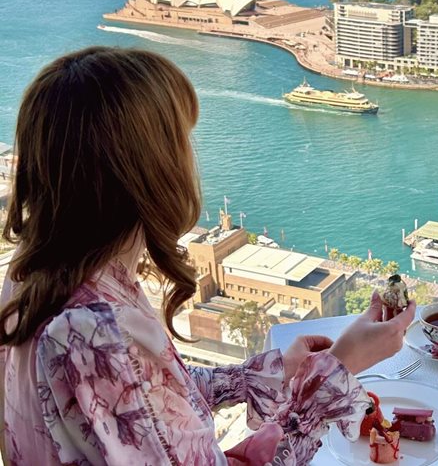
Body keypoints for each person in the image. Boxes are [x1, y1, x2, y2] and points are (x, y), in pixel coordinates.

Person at [0, 47, 416, 465]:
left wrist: (269, 371)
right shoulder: (95, 331)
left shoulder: (33, 277)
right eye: (182, 139)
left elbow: (151, 399)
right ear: (152, 168)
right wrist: (336, 373)